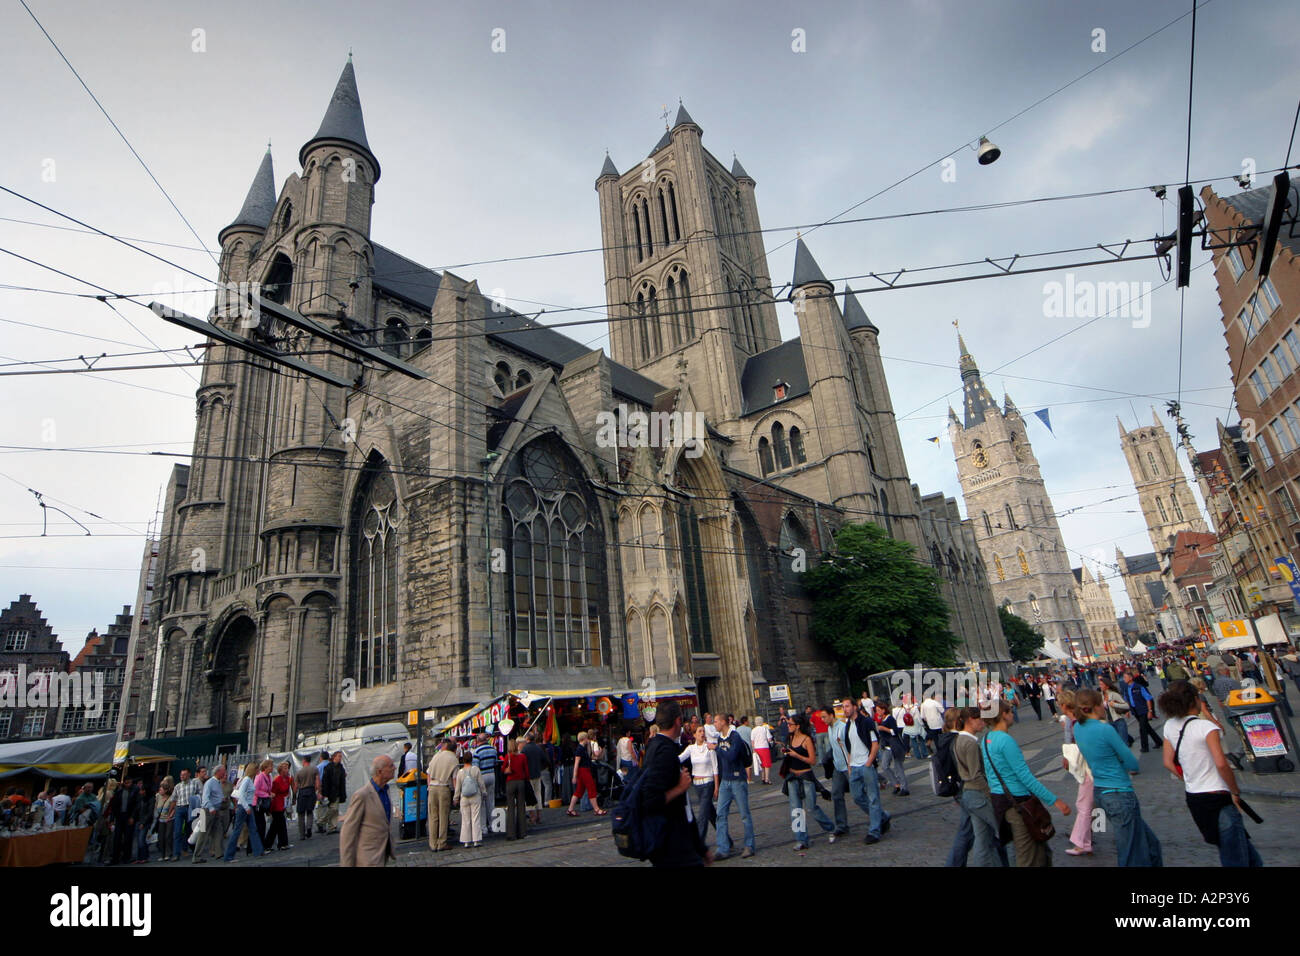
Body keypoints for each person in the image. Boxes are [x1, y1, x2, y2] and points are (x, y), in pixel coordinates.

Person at [1160, 680, 1262, 867]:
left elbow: (1168, 762)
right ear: (1194, 700)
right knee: (1235, 856)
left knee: (1247, 855)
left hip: (1194, 797)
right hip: (1217, 794)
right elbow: (1221, 764)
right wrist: (1235, 791)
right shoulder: (1206, 727)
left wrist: (1189, 779)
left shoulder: (1169, 725)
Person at [1072, 689, 1161, 867]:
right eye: (1102, 703)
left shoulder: (1077, 728)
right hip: (1119, 792)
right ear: (1096, 707)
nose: (1104, 706)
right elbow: (1132, 762)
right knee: (1130, 852)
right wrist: (1119, 761)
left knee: (1151, 845)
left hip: (1101, 790)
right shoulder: (1105, 729)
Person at [982, 700, 1070, 867]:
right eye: (1010, 712)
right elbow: (1025, 776)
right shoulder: (1005, 740)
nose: (1012, 714)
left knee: (1039, 849)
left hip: (1001, 801)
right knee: (1027, 854)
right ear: (1003, 715)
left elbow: (989, 773)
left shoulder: (986, 739)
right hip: (1018, 802)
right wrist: (1054, 800)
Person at [640, 699, 710, 867]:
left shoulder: (657, 747)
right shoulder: (664, 751)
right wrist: (680, 788)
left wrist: (700, 847)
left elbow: (685, 808)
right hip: (672, 843)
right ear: (678, 721)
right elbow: (650, 800)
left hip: (675, 840)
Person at [954, 706, 1006, 867]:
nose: (983, 723)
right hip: (978, 794)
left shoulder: (958, 739)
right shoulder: (970, 743)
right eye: (981, 720)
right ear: (970, 720)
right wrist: (991, 793)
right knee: (1005, 830)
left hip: (968, 793)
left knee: (982, 838)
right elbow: (975, 774)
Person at [837, 698, 890, 843]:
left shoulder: (866, 722)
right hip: (854, 766)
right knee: (857, 797)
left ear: (855, 707)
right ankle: (882, 816)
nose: (845, 709)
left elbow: (875, 743)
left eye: (847, 706)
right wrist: (849, 766)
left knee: (873, 798)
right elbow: (850, 747)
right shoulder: (848, 725)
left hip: (866, 765)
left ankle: (874, 831)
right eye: (843, 707)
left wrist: (868, 762)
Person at [784, 712, 836, 850]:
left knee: (811, 807)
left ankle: (830, 828)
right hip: (792, 778)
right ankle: (801, 839)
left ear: (798, 726)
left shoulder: (807, 739)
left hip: (806, 777)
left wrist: (796, 755)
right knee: (795, 810)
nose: (788, 726)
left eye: (790, 724)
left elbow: (812, 761)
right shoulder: (789, 738)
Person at [339, 755, 397, 867]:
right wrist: (347, 863)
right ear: (379, 771)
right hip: (367, 859)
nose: (394, 768)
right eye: (391, 766)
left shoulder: (385, 790)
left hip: (382, 855)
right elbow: (348, 832)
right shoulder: (362, 795)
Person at [712, 713, 755, 859]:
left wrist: (717, 749)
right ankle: (723, 848)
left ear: (723, 722)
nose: (714, 724)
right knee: (720, 815)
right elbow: (721, 761)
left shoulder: (735, 736)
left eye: (716, 721)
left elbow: (731, 756)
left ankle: (749, 846)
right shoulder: (720, 738)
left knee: (744, 814)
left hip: (738, 779)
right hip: (725, 780)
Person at [1057, 689, 1094, 857]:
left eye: (1060, 705)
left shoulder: (1076, 723)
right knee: (1087, 804)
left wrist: (1068, 756)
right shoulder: (1075, 721)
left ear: (1065, 706)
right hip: (1087, 768)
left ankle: (1081, 843)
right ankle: (1085, 840)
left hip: (1088, 769)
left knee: (1084, 805)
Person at [678, 724, 717, 844]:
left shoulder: (709, 747)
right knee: (710, 813)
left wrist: (716, 787)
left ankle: (699, 844)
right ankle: (726, 838)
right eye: (699, 731)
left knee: (702, 815)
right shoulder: (691, 748)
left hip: (708, 782)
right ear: (694, 735)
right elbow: (680, 758)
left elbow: (715, 768)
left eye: (703, 731)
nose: (702, 733)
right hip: (697, 784)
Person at [224, 762, 267, 861]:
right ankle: (229, 855)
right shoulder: (247, 780)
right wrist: (247, 807)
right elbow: (241, 794)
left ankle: (258, 851)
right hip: (245, 806)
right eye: (257, 769)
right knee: (238, 830)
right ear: (253, 770)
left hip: (247, 806)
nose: (258, 771)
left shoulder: (249, 779)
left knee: (252, 828)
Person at [426, 739, 460, 851]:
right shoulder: (453, 759)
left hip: (432, 787)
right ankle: (442, 842)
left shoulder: (436, 756)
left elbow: (428, 773)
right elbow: (454, 779)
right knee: (443, 816)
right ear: (454, 749)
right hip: (443, 788)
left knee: (433, 817)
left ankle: (432, 843)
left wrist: (429, 787)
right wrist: (456, 795)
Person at [873, 703, 909, 795]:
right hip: (886, 746)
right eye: (876, 711)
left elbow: (895, 731)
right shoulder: (880, 720)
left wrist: (884, 729)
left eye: (879, 710)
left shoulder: (890, 719)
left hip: (894, 745)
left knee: (898, 767)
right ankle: (896, 784)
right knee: (884, 765)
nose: (877, 712)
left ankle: (904, 788)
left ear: (883, 710)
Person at [566, 731, 605, 817]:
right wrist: (574, 776)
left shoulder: (582, 748)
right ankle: (596, 809)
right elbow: (576, 763)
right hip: (584, 771)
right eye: (587, 738)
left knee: (579, 790)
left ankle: (570, 809)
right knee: (591, 788)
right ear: (584, 739)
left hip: (583, 770)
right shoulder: (580, 749)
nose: (588, 740)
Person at [1122, 671, 1163, 753]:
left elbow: (1148, 698)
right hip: (1135, 711)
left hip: (1143, 710)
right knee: (1147, 727)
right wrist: (1127, 710)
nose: (1124, 679)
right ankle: (1159, 741)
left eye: (1125, 677)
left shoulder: (1139, 687)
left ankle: (1145, 747)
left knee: (1142, 728)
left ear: (1131, 678)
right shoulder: (1126, 688)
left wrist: (1150, 711)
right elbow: (1127, 700)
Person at [191, 766, 225, 863]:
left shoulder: (217, 783)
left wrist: (221, 799)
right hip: (207, 810)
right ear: (218, 772)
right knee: (203, 833)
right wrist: (211, 807)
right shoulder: (210, 783)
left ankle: (219, 852)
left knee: (218, 830)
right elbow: (205, 797)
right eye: (223, 771)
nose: (224, 773)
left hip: (215, 810)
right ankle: (196, 856)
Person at [453, 751, 485, 848]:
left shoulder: (460, 772)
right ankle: (476, 840)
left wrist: (456, 798)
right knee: (476, 818)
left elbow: (458, 787)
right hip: (475, 796)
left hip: (464, 797)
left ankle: (466, 841)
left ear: (463, 760)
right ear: (472, 760)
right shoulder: (476, 770)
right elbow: (481, 783)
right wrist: (484, 792)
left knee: (465, 819)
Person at [472, 733, 502, 828]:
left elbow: (475, 767)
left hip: (482, 775)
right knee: (491, 801)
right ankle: (492, 824)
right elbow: (495, 763)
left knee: (481, 802)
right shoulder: (493, 749)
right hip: (491, 774)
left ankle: (483, 827)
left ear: (478, 741)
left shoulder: (477, 751)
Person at [503, 738, 530, 841]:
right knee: (521, 807)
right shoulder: (522, 756)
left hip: (510, 782)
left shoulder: (508, 757)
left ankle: (511, 833)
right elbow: (526, 771)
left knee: (511, 807)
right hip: (521, 782)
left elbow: (503, 769)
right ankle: (522, 832)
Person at [1099, 677, 1133, 747]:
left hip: (1118, 720)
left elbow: (1127, 705)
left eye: (1102, 684)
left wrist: (1114, 704)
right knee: (1117, 742)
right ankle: (1130, 739)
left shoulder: (1114, 694)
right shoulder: (1101, 696)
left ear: (1107, 686)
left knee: (1124, 744)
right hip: (1109, 722)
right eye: (1100, 684)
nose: (1100, 686)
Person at [170, 769, 196, 860]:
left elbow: (199, 795)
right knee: (177, 831)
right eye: (181, 774)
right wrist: (171, 812)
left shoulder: (194, 784)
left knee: (189, 830)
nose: (182, 776)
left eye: (184, 774)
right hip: (180, 808)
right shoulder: (178, 786)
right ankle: (176, 854)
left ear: (189, 775)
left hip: (190, 808)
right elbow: (173, 799)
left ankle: (192, 849)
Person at [267, 761, 293, 850]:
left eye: (287, 768)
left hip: (283, 803)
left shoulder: (288, 779)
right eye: (285, 768)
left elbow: (287, 790)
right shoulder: (277, 780)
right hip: (276, 804)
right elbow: (273, 792)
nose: (287, 770)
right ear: (281, 770)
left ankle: (271, 844)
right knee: (279, 824)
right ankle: (282, 844)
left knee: (276, 825)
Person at [522, 733, 547, 825]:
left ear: (527, 739)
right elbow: (544, 759)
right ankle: (539, 816)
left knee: (530, 796)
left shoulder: (524, 749)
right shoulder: (538, 748)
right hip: (537, 774)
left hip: (528, 776)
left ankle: (532, 816)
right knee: (538, 794)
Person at [319, 751, 346, 834]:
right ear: (334, 757)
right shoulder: (329, 767)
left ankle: (332, 827)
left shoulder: (340, 767)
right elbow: (325, 780)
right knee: (333, 808)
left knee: (335, 809)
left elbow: (342, 779)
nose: (340, 758)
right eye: (339, 756)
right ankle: (322, 821)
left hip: (338, 791)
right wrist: (324, 792)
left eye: (341, 756)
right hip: (330, 791)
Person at [294, 757, 317, 840]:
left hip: (302, 792)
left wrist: (294, 796)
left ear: (303, 761)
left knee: (301, 814)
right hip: (311, 791)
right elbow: (318, 782)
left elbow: (296, 786)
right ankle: (309, 827)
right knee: (310, 811)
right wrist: (317, 791)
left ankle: (302, 835)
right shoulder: (314, 770)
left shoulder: (299, 772)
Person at [252, 759, 274, 848]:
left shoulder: (269, 777)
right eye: (271, 766)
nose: (272, 768)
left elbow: (268, 788)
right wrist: (267, 795)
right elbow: (255, 790)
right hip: (257, 804)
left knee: (262, 825)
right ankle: (258, 846)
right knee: (260, 825)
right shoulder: (260, 776)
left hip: (264, 803)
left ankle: (261, 845)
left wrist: (270, 793)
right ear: (265, 767)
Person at [155, 777, 175, 861]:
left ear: (166, 790)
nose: (160, 790)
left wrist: (169, 816)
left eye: (161, 789)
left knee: (168, 836)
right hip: (161, 818)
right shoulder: (158, 796)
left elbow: (174, 808)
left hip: (169, 818)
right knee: (161, 837)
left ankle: (168, 853)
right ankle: (162, 854)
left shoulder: (171, 798)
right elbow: (156, 806)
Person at [750, 716, 773, 784]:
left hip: (757, 748)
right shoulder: (765, 729)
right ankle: (767, 779)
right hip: (764, 747)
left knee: (761, 764)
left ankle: (762, 777)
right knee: (767, 764)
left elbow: (752, 741)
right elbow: (769, 739)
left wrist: (753, 749)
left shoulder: (753, 730)